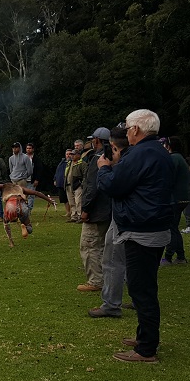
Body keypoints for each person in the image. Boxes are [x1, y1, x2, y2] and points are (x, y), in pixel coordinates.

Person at [97, 109, 174, 363]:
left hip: (142, 230)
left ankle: (146, 349)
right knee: (143, 287)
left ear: (137, 130)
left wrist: (104, 169)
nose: (127, 132)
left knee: (142, 290)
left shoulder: (140, 153)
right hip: (151, 226)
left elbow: (113, 185)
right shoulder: (157, 151)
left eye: (128, 128)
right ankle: (144, 337)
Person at [87, 126, 132, 318]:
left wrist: (105, 168)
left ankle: (111, 304)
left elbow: (110, 186)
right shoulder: (148, 155)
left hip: (125, 215)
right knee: (134, 260)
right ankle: (138, 299)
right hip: (139, 216)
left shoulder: (128, 161)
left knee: (113, 259)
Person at [76, 128, 113, 293]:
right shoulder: (114, 157)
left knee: (89, 245)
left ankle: (96, 281)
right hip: (109, 210)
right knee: (105, 246)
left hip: (96, 211)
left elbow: (92, 187)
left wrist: (86, 209)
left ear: (97, 140)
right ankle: (108, 277)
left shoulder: (98, 159)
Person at [0, 182, 56, 247]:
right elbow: (36, 193)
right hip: (21, 204)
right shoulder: (20, 188)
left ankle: (11, 242)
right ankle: (25, 225)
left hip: (10, 205)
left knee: (6, 222)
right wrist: (49, 200)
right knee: (29, 229)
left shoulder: (3, 186)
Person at [161, 136, 190, 265]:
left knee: (171, 228)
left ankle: (168, 256)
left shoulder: (173, 159)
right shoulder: (179, 158)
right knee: (174, 228)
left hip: (175, 198)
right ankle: (180, 256)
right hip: (182, 198)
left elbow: (168, 178)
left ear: (169, 146)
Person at [65, 140, 86, 223]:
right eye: (71, 155)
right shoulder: (69, 163)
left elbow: (85, 174)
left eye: (73, 154)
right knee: (71, 202)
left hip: (78, 184)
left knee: (78, 201)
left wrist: (82, 184)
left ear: (78, 155)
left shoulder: (82, 163)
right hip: (69, 185)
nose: (72, 156)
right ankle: (74, 216)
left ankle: (80, 216)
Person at [54, 149, 72, 219]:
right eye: (67, 154)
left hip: (68, 183)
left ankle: (72, 212)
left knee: (69, 198)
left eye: (70, 154)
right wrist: (55, 179)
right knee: (64, 199)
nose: (68, 155)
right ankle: (68, 212)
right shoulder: (62, 162)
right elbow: (57, 171)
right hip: (60, 183)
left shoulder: (72, 163)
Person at [25, 143, 42, 211]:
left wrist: (37, 179)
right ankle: (22, 210)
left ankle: (28, 210)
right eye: (27, 148)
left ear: (33, 149)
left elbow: (39, 169)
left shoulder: (36, 159)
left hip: (32, 180)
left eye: (30, 148)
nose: (28, 150)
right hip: (23, 180)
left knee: (31, 196)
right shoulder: (22, 157)